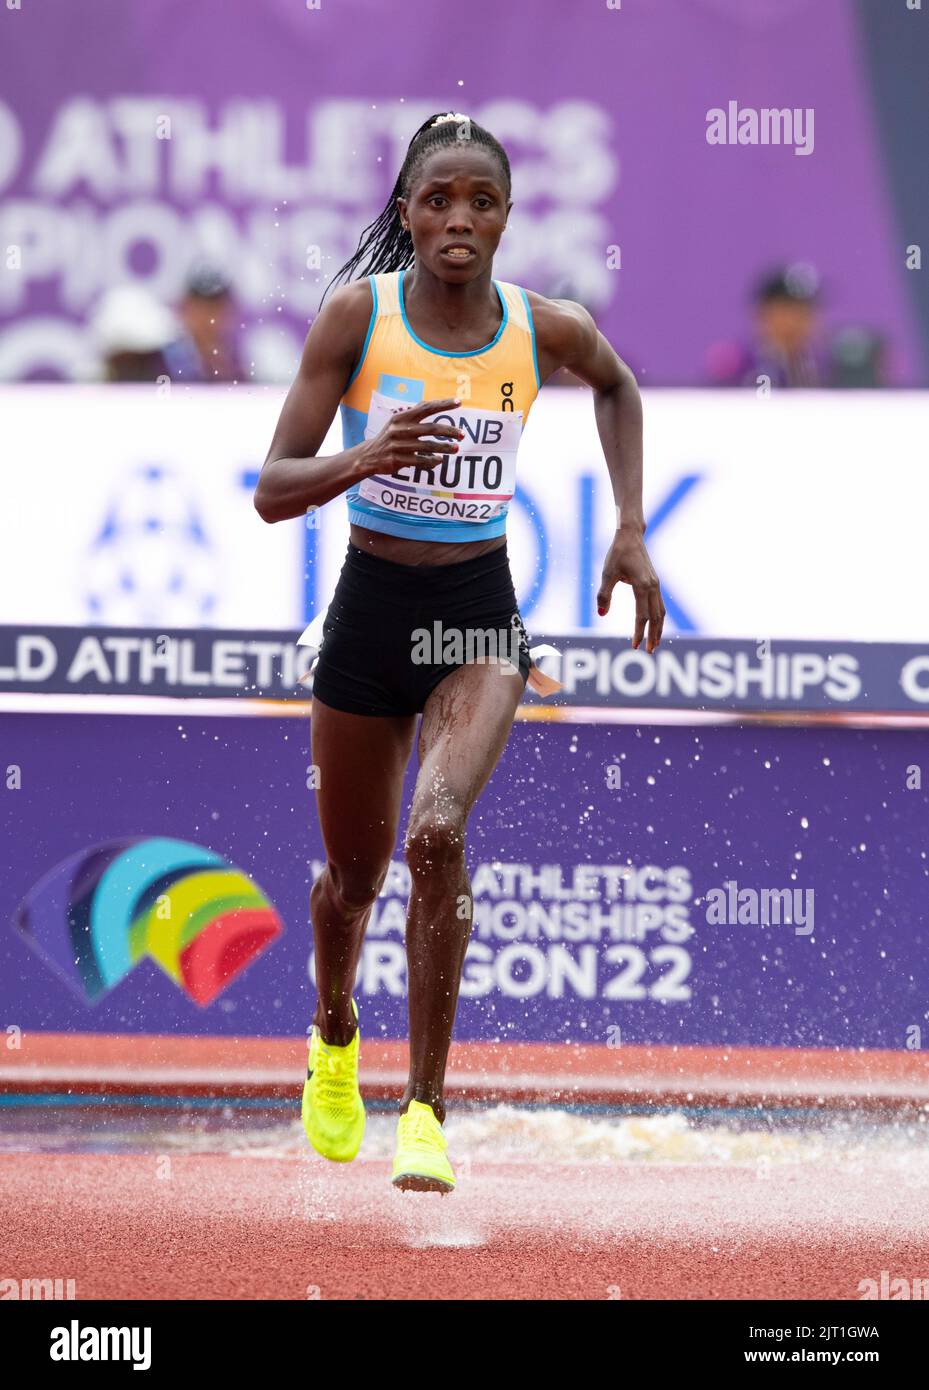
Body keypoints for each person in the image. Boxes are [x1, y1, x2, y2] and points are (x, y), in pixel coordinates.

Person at [254, 111, 665, 1193]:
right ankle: (332, 1031)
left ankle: (425, 1109)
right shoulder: (360, 316)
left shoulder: (541, 329)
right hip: (368, 612)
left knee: (436, 833)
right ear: (407, 211)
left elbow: (618, 386)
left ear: (504, 217)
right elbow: (269, 488)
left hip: (478, 620)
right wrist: (366, 454)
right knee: (353, 876)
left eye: (479, 202)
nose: (457, 220)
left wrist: (628, 526)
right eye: (437, 199)